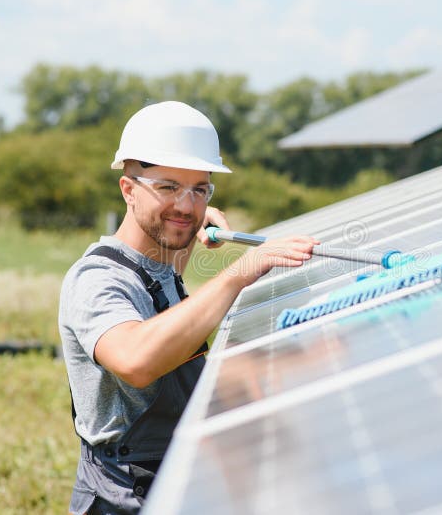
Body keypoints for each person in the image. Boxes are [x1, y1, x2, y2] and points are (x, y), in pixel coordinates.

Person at [59, 101, 318, 514]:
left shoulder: (162, 262)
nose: (185, 204)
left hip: (173, 480)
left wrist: (197, 224)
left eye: (199, 189)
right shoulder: (98, 280)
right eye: (167, 187)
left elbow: (170, 251)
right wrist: (239, 272)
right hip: (123, 494)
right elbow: (136, 359)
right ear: (128, 189)